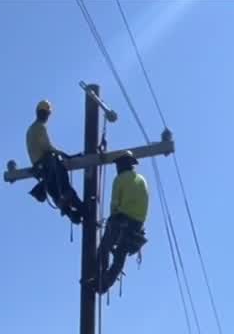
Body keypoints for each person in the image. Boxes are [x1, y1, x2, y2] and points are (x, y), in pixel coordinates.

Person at [95, 151, 150, 293]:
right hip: (137, 225)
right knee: (120, 256)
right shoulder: (142, 179)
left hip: (122, 219)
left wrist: (111, 222)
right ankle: (105, 284)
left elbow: (114, 204)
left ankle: (98, 276)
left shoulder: (120, 179)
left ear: (122, 165)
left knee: (104, 248)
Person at [26, 99, 85, 225]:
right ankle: (82, 211)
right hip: (48, 164)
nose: (46, 116)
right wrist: (64, 154)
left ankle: (71, 213)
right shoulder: (40, 127)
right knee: (64, 188)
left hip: (40, 168)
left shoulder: (30, 129)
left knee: (55, 192)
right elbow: (47, 147)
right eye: (46, 114)